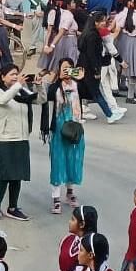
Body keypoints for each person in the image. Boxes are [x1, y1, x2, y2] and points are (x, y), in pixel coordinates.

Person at [0, 65, 45, 221]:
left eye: (17, 74)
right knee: (4, 175)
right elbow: (3, 100)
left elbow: (41, 99)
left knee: (17, 175)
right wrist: (19, 85)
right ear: (3, 77)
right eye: (12, 74)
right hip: (5, 139)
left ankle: (13, 207)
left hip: (22, 138)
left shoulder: (22, 92)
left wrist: (39, 85)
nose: (15, 77)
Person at [42, 59, 86, 215]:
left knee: (73, 159)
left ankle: (70, 191)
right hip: (59, 128)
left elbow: (91, 93)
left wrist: (81, 77)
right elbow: (47, 97)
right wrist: (58, 78)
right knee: (58, 160)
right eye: (64, 68)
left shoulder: (78, 86)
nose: (67, 71)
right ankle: (56, 198)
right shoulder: (55, 88)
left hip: (75, 127)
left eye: (70, 68)